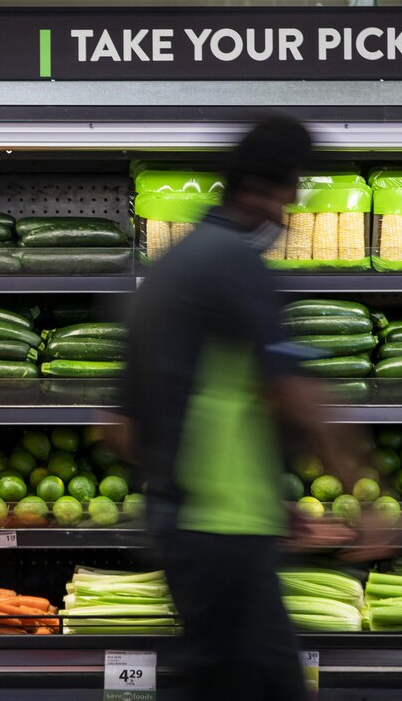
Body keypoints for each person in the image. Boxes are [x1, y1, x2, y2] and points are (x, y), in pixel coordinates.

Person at [108, 115, 361, 701]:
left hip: (189, 529)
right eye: (292, 189)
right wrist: (363, 490)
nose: (290, 209)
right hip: (225, 531)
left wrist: (197, 487)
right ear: (271, 187)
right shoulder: (235, 265)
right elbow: (294, 393)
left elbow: (119, 428)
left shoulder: (171, 270)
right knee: (266, 686)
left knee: (219, 677)